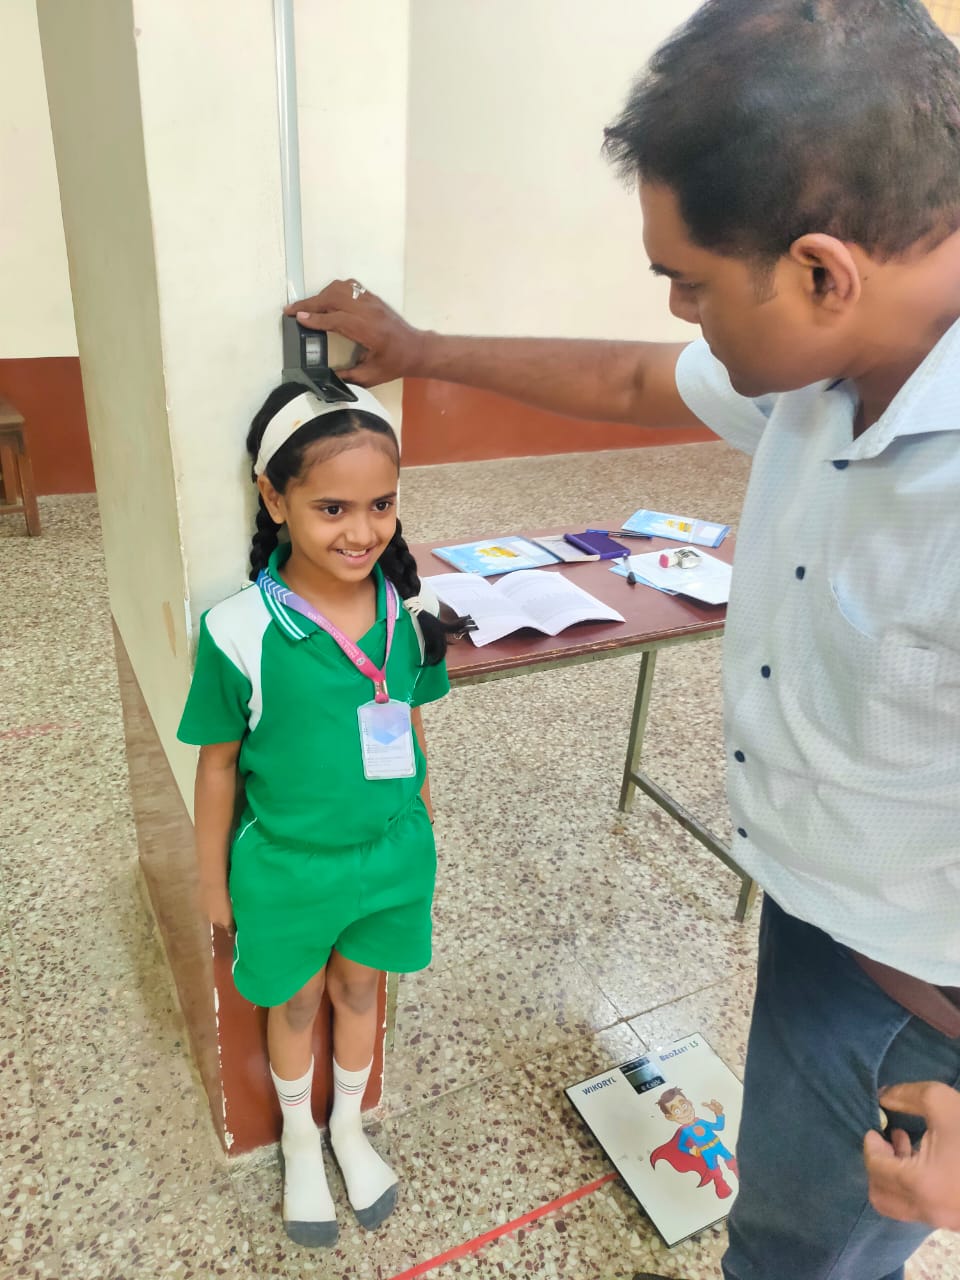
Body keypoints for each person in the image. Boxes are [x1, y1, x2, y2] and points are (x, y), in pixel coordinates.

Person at [285, 2, 960, 1276]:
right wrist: (422, 350)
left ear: (822, 270)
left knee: (802, 1257)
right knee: (779, 1225)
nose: (675, 311)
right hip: (828, 914)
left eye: (690, 284)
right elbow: (635, 383)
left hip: (926, 1004)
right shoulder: (847, 349)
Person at [177, 380, 466, 1247]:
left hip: (390, 857)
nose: (362, 531)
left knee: (360, 988)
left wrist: (424, 822)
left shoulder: (406, 612)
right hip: (288, 870)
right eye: (331, 507)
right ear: (275, 498)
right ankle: (303, 1139)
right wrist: (211, 881)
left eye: (381, 505)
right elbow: (218, 765)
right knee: (296, 1002)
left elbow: (408, 722)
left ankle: (348, 1128)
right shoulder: (234, 630)